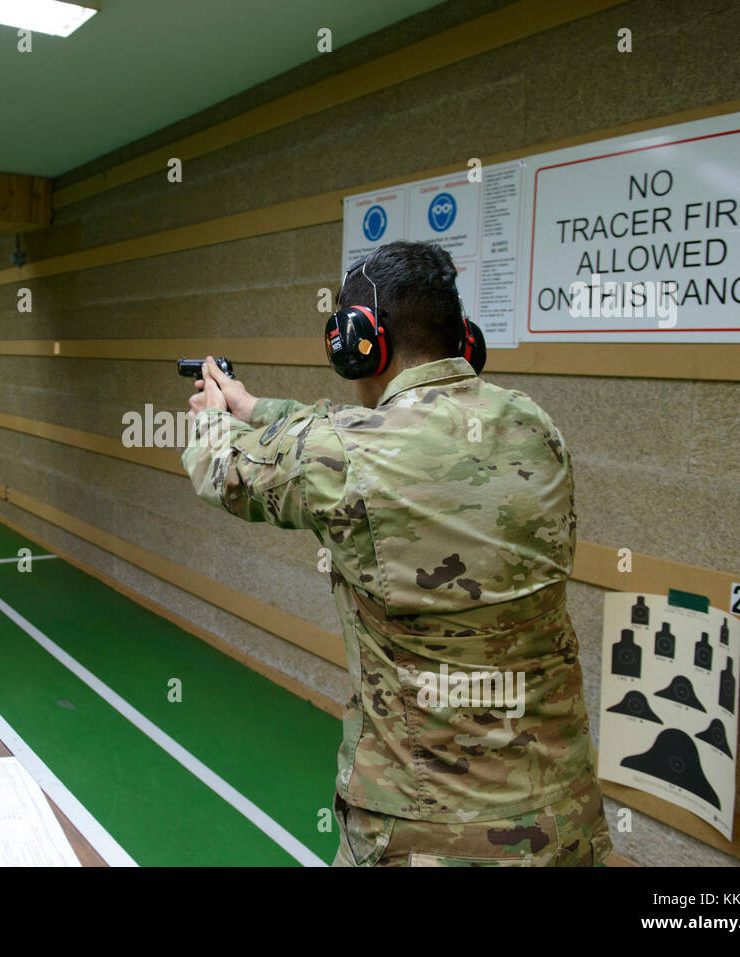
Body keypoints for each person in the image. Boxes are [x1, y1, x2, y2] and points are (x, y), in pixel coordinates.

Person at [181, 240, 611, 866]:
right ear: (462, 335)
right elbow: (350, 434)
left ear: (360, 342)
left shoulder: (345, 455)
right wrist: (254, 406)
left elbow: (221, 471)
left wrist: (215, 416)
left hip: (428, 832)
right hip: (563, 817)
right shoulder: (534, 425)